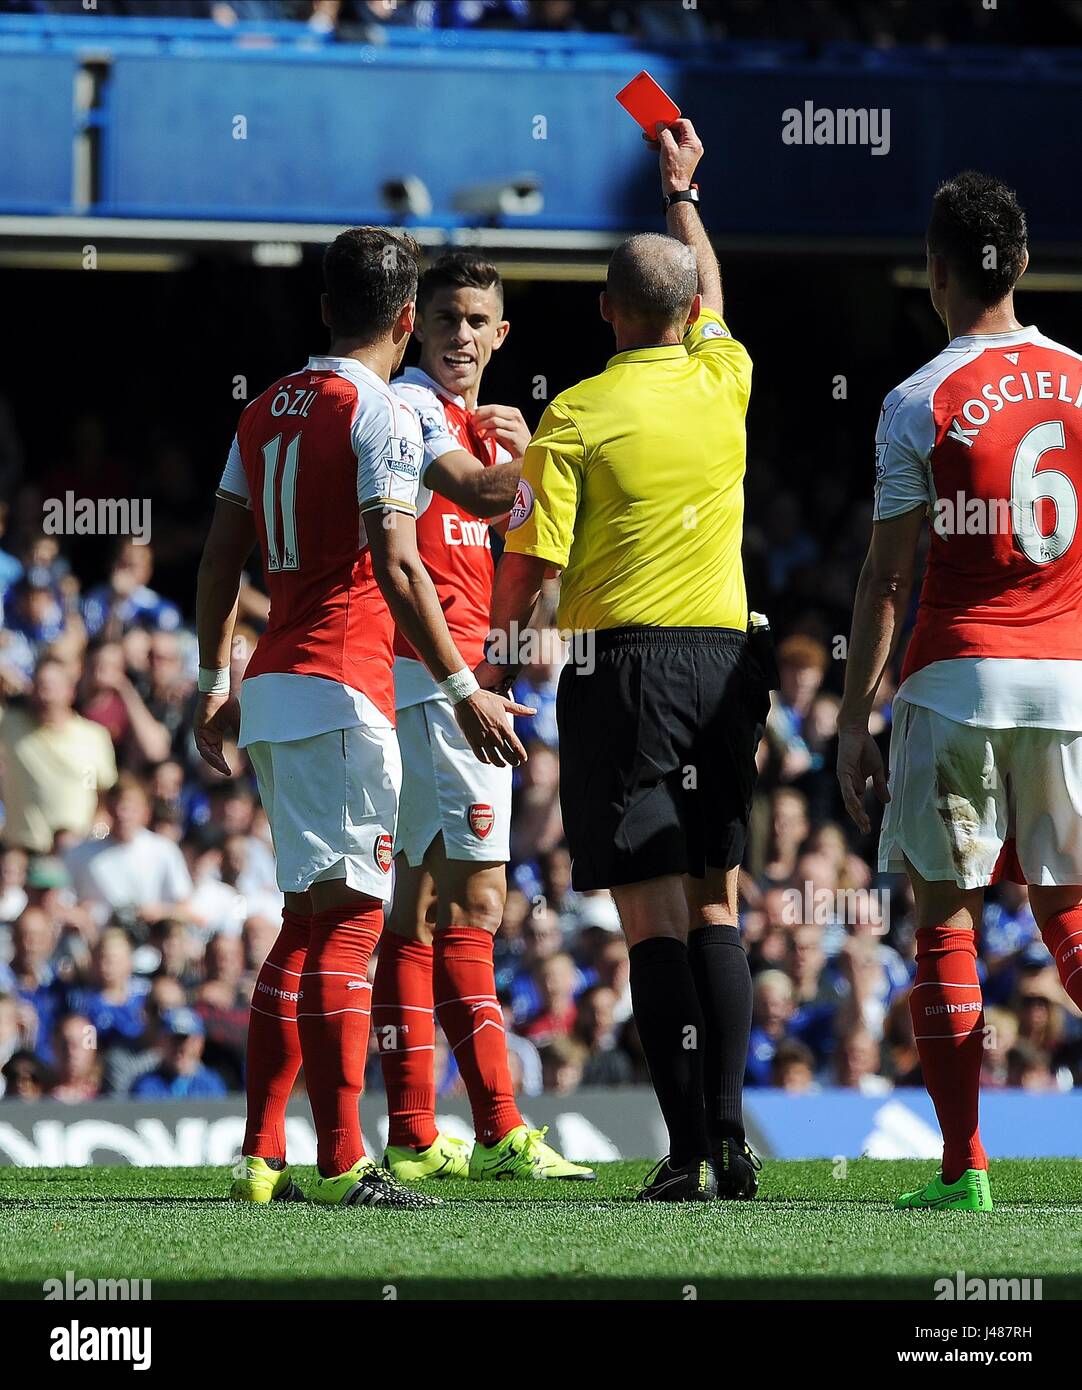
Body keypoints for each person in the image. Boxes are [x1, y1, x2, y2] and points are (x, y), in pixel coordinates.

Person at [194, 226, 530, 1211]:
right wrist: (463, 685)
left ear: (321, 310)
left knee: (303, 922)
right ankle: (344, 1162)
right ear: (403, 317)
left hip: (273, 687)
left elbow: (221, 559)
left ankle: (261, 1156)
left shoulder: (262, 409)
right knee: (347, 927)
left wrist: (212, 679)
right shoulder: (377, 411)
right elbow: (397, 562)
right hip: (346, 689)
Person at [476, 119, 770, 1201]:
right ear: (690, 315)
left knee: (646, 918)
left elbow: (526, 575)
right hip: (726, 666)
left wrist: (494, 676)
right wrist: (681, 190)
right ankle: (733, 1139)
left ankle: (686, 1148)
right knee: (716, 906)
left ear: (605, 312)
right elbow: (715, 296)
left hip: (623, 668)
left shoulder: (573, 415)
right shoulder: (721, 377)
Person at [837, 171, 1082, 1212]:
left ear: (931, 271)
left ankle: (962, 1170)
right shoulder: (1079, 378)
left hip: (956, 680)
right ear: (1021, 264)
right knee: (1068, 918)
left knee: (944, 919)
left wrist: (853, 715)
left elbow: (888, 576)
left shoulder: (913, 399)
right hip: (1066, 680)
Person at [372, 251, 590, 1182]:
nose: (462, 337)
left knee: (421, 912)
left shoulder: (477, 429)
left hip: (453, 675)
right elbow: (484, 496)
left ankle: (418, 1135)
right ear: (417, 323)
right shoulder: (417, 411)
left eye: (479, 323)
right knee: (474, 905)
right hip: (431, 681)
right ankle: (498, 1128)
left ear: (503, 335)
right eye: (448, 318)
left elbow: (515, 579)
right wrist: (546, 450)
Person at [0, 655, 117, 853]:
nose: (46, 695)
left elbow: (103, 795)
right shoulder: (10, 726)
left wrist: (95, 833)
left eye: (52, 687)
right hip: (23, 853)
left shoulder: (93, 737)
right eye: (40, 686)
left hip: (76, 852)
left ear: (71, 691)